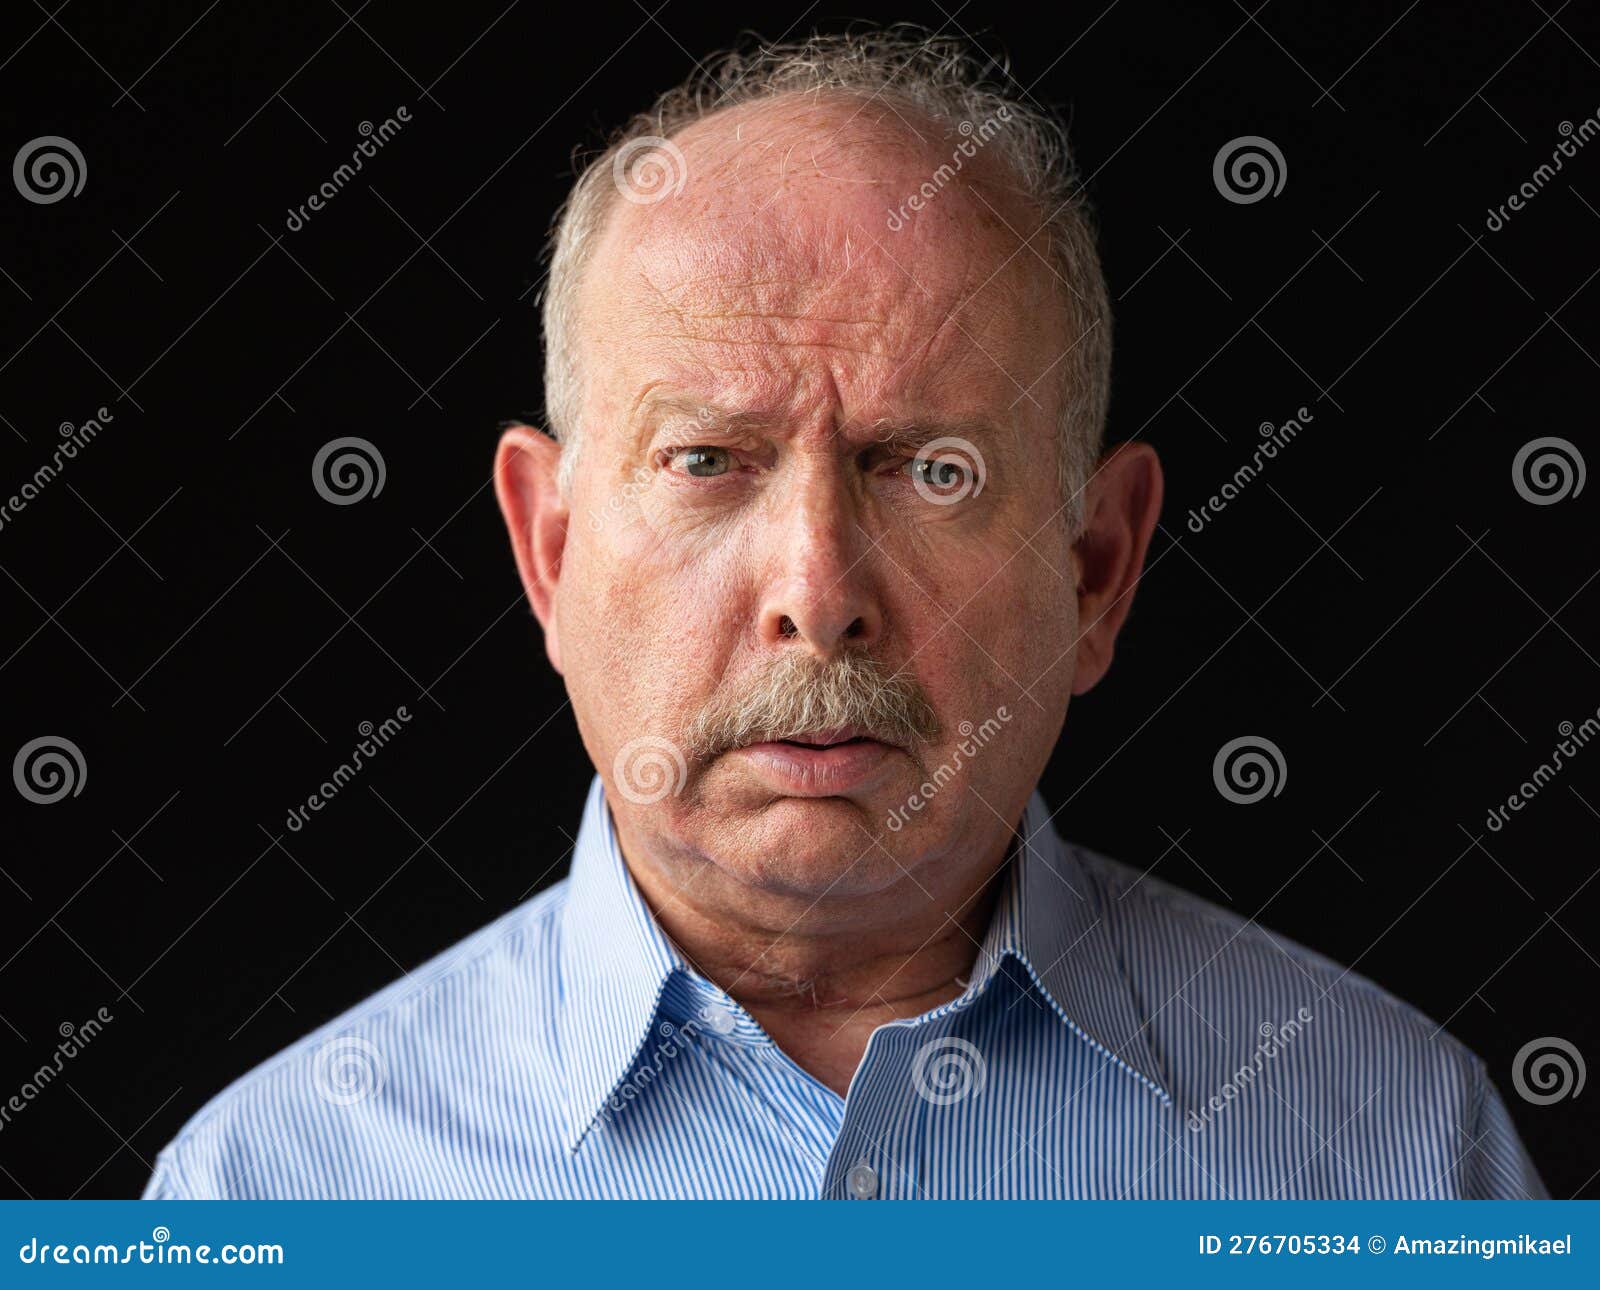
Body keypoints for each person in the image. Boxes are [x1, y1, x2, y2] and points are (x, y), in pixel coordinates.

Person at [143, 29, 1543, 1200]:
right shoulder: (277, 1187)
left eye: (931, 470)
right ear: (550, 549)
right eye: (707, 461)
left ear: (1097, 568)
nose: (818, 596)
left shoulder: (1403, 1148)